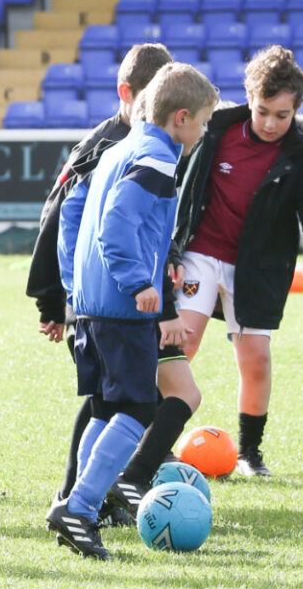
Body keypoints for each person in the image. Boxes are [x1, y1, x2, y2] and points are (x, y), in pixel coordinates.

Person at [47, 63, 218, 560]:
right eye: (204, 122)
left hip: (94, 303)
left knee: (105, 408)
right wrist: (139, 283)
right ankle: (78, 507)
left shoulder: (118, 148)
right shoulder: (157, 158)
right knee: (138, 409)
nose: (204, 132)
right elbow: (118, 224)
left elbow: (73, 214)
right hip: (123, 306)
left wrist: (75, 285)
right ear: (180, 118)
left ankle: (74, 501)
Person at [171, 45, 303, 477]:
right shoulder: (213, 128)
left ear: (298, 109)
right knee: (183, 342)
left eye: (283, 115)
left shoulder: (300, 155)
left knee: (255, 359)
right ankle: (157, 441)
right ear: (248, 99)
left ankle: (250, 453)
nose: (271, 123)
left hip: (256, 269)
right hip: (199, 253)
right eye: (263, 111)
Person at [26, 43, 188, 515]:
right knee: (121, 403)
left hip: (124, 293)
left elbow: (150, 220)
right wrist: (55, 300)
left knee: (120, 400)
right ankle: (82, 497)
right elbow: (63, 218)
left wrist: (171, 252)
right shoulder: (110, 147)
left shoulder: (148, 143)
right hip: (117, 298)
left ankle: (95, 493)